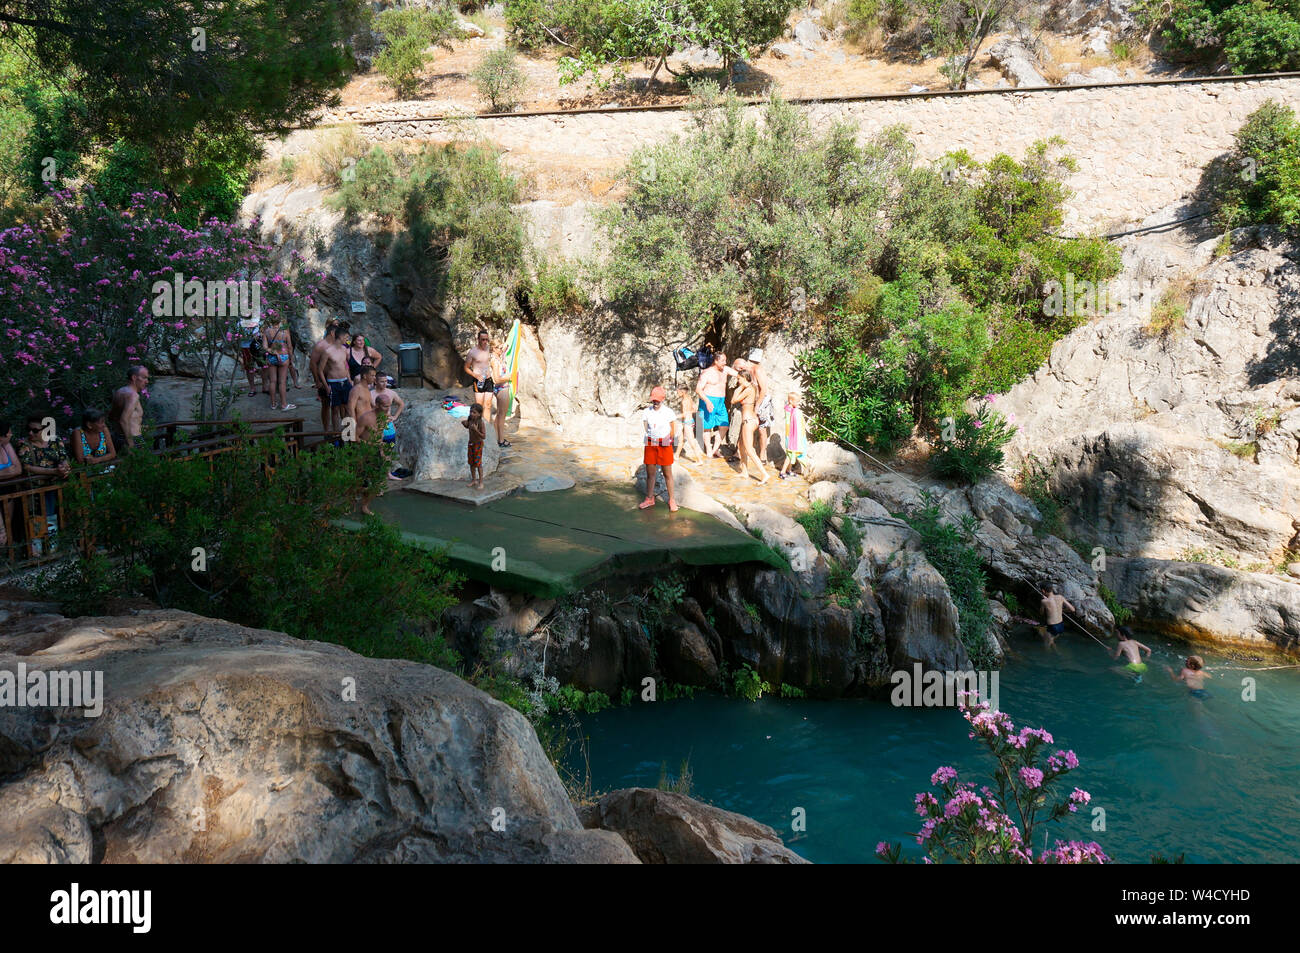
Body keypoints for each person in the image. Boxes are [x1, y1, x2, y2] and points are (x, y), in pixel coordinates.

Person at [17, 414, 71, 556]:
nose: (30, 433)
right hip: (34, 489)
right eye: (28, 429)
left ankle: (53, 548)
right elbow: (27, 467)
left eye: (35, 430)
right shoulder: (25, 445)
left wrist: (64, 468)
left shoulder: (55, 441)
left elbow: (64, 458)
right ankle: (38, 552)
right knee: (36, 518)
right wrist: (53, 471)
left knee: (52, 515)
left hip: (55, 487)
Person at [639, 385, 678, 511]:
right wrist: (651, 438)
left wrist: (668, 440)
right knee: (650, 472)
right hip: (651, 442)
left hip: (664, 443)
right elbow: (646, 427)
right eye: (653, 399)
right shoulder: (647, 412)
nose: (655, 401)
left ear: (662, 399)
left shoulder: (668, 412)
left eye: (657, 399)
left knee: (667, 473)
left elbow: (673, 429)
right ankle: (649, 498)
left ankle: (672, 500)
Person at [311, 320, 353, 433]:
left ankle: (348, 433)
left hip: (345, 381)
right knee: (335, 409)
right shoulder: (327, 351)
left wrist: (349, 380)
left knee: (347, 408)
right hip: (333, 382)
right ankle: (335, 434)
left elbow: (346, 366)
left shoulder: (344, 349)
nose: (347, 339)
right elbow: (319, 369)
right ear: (339, 337)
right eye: (346, 337)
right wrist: (325, 385)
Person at [731, 365, 769, 485]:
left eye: (739, 379)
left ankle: (764, 474)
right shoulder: (751, 387)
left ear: (744, 378)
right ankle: (745, 471)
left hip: (749, 421)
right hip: (748, 420)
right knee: (741, 445)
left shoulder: (748, 389)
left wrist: (740, 387)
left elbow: (733, 400)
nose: (738, 381)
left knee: (749, 449)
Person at [696, 351, 732, 459]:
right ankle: (709, 450)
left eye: (725, 360)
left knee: (724, 426)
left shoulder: (725, 369)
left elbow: (737, 373)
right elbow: (698, 389)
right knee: (707, 428)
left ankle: (715, 449)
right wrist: (707, 401)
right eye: (722, 361)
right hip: (708, 400)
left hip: (721, 401)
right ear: (716, 361)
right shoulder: (706, 372)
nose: (725, 363)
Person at [464, 330, 496, 441]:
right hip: (478, 380)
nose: (485, 341)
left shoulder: (489, 349)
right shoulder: (472, 352)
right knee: (479, 406)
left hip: (488, 379)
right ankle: (477, 428)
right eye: (483, 339)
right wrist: (475, 375)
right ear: (478, 339)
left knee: (488, 404)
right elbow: (466, 368)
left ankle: (486, 428)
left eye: (487, 339)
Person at [373, 373, 406, 480]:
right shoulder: (371, 394)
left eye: (386, 381)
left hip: (389, 428)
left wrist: (395, 417)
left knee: (388, 451)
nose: (384, 384)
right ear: (376, 382)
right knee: (379, 452)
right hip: (377, 426)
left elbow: (401, 404)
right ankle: (380, 475)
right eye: (382, 381)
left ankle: (388, 474)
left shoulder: (391, 393)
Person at [108, 365, 149, 453]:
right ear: (134, 377)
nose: (147, 381)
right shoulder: (133, 396)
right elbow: (123, 420)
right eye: (144, 378)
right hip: (133, 439)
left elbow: (111, 416)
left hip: (118, 437)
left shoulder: (119, 392)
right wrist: (130, 444)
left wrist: (138, 426)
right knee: (145, 465)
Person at [262, 316, 297, 412]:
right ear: (280, 321)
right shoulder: (285, 332)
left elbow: (264, 347)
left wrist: (273, 352)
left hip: (271, 357)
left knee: (272, 381)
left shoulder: (267, 332)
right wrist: (291, 358)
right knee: (282, 382)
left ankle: (273, 404)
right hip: (283, 357)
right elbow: (289, 347)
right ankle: (284, 404)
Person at [310, 319, 341, 430]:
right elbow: (313, 364)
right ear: (332, 333)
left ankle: (336, 432)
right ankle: (327, 430)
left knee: (337, 406)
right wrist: (317, 381)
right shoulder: (321, 345)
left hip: (337, 378)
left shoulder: (336, 344)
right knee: (326, 405)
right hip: (325, 379)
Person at [747, 348, 774, 466]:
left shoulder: (757, 370)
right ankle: (740, 452)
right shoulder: (750, 369)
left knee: (762, 429)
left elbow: (763, 390)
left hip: (762, 401)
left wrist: (757, 405)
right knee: (747, 425)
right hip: (754, 400)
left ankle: (763, 455)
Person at [0, 421, 23, 551]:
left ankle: (9, 557)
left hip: (8, 491)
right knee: (1, 531)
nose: (11, 434)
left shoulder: (6, 445)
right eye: (9, 432)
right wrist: (9, 471)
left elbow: (18, 469)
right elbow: (12, 470)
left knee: (8, 526)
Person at [489, 341, 512, 449]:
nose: (500, 349)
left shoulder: (498, 357)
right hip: (501, 388)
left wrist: (504, 345)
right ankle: (501, 440)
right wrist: (509, 377)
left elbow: (506, 345)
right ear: (493, 348)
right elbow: (496, 379)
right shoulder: (495, 361)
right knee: (502, 415)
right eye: (497, 347)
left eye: (500, 347)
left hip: (502, 388)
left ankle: (497, 438)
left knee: (500, 414)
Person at [780, 391, 807, 480]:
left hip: (792, 435)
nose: (798, 404)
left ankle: (789, 470)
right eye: (797, 402)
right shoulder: (789, 409)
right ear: (791, 401)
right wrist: (796, 411)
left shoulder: (793, 409)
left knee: (792, 453)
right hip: (790, 435)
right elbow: (791, 417)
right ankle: (782, 472)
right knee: (789, 454)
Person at [237, 316, 266, 398]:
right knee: (249, 367)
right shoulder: (240, 322)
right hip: (246, 346)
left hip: (257, 346)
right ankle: (252, 388)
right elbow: (237, 335)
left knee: (264, 365)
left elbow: (261, 332)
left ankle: (265, 386)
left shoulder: (257, 319)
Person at [676, 387, 705, 461]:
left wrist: (674, 417)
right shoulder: (689, 398)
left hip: (687, 423)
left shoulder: (684, 401)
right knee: (681, 439)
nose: (677, 393)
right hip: (689, 421)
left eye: (678, 391)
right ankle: (676, 455)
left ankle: (700, 460)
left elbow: (685, 414)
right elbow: (694, 409)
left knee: (692, 442)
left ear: (682, 392)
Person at [463, 403, 487, 490]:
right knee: (471, 463)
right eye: (471, 412)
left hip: (478, 444)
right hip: (471, 444)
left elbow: (483, 436)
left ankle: (481, 482)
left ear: (479, 414)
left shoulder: (480, 422)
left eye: (474, 412)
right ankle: (474, 480)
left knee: (478, 464)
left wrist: (476, 430)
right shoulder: (470, 419)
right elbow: (468, 426)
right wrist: (465, 424)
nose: (471, 414)